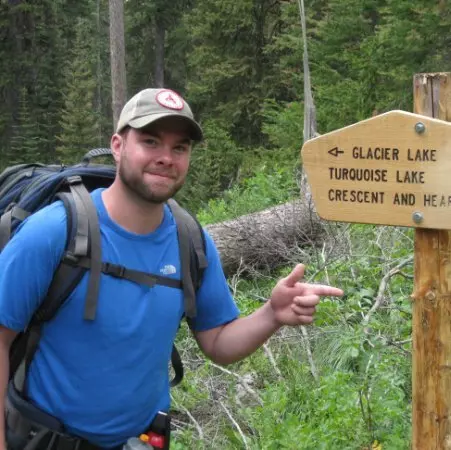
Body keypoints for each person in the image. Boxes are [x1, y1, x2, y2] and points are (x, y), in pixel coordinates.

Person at [0, 88, 343, 450]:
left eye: (179, 147)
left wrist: (272, 314)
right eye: (150, 141)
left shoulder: (189, 240)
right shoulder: (56, 231)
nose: (166, 157)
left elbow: (217, 341)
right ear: (117, 146)